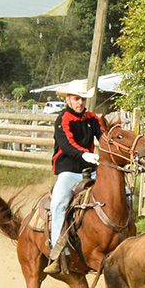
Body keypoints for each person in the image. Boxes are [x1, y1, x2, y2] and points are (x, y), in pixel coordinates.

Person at [44, 79, 103, 275]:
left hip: (91, 169)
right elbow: (66, 145)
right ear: (68, 99)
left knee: (125, 194)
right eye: (77, 99)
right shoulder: (63, 120)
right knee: (59, 204)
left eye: (83, 99)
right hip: (69, 171)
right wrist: (84, 154)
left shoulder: (92, 119)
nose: (81, 103)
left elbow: (105, 137)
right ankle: (58, 254)